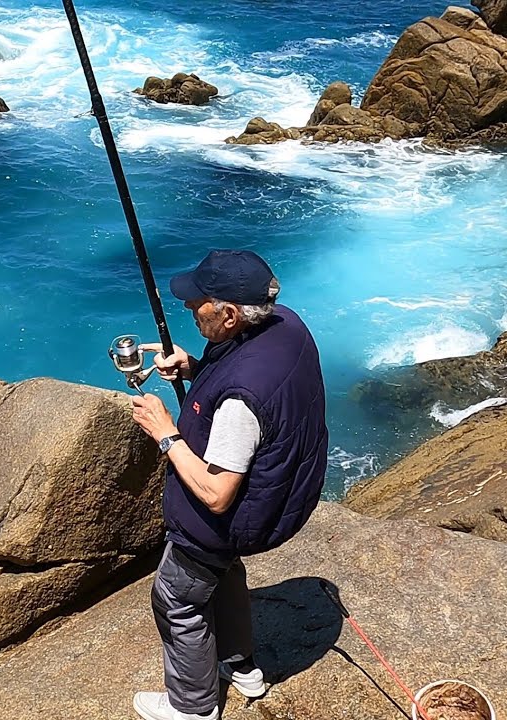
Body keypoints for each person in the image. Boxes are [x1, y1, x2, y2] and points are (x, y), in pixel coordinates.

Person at [128, 249, 329, 720]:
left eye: (198, 301)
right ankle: (241, 667)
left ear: (231, 314)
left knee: (177, 596)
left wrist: (165, 433)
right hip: (279, 496)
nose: (187, 308)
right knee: (224, 573)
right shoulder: (286, 325)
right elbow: (253, 387)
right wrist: (197, 369)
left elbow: (217, 494)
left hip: (235, 516)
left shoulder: (242, 400)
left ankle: (193, 708)